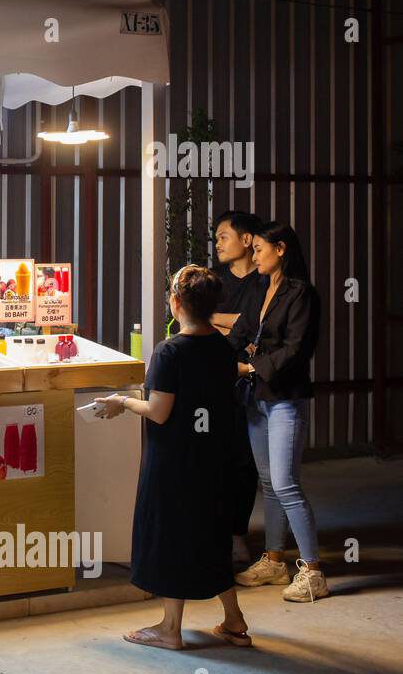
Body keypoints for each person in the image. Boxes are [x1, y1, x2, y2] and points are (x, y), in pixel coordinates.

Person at [95, 265, 250, 650]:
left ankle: (169, 629)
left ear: (176, 303)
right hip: (213, 457)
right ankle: (234, 620)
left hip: (175, 461)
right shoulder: (223, 346)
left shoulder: (169, 352)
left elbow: (159, 411)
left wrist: (122, 402)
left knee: (172, 535)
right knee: (210, 534)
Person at [230, 223, 326, 602]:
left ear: (281, 249)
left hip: (286, 397)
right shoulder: (258, 288)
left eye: (259, 250)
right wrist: (215, 353)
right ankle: (273, 561)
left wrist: (252, 366)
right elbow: (241, 331)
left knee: (286, 483)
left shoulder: (302, 294)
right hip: (256, 398)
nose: (253, 257)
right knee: (268, 482)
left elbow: (296, 349)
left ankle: (314, 571)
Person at [211, 210, 266, 562]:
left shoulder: (265, 279)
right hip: (215, 377)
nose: (217, 244)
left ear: (247, 240)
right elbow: (201, 318)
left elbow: (263, 327)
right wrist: (242, 327)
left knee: (245, 462)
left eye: (223, 236)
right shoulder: (212, 280)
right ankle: (212, 535)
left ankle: (238, 535)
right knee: (213, 460)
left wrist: (231, 325)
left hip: (250, 378)